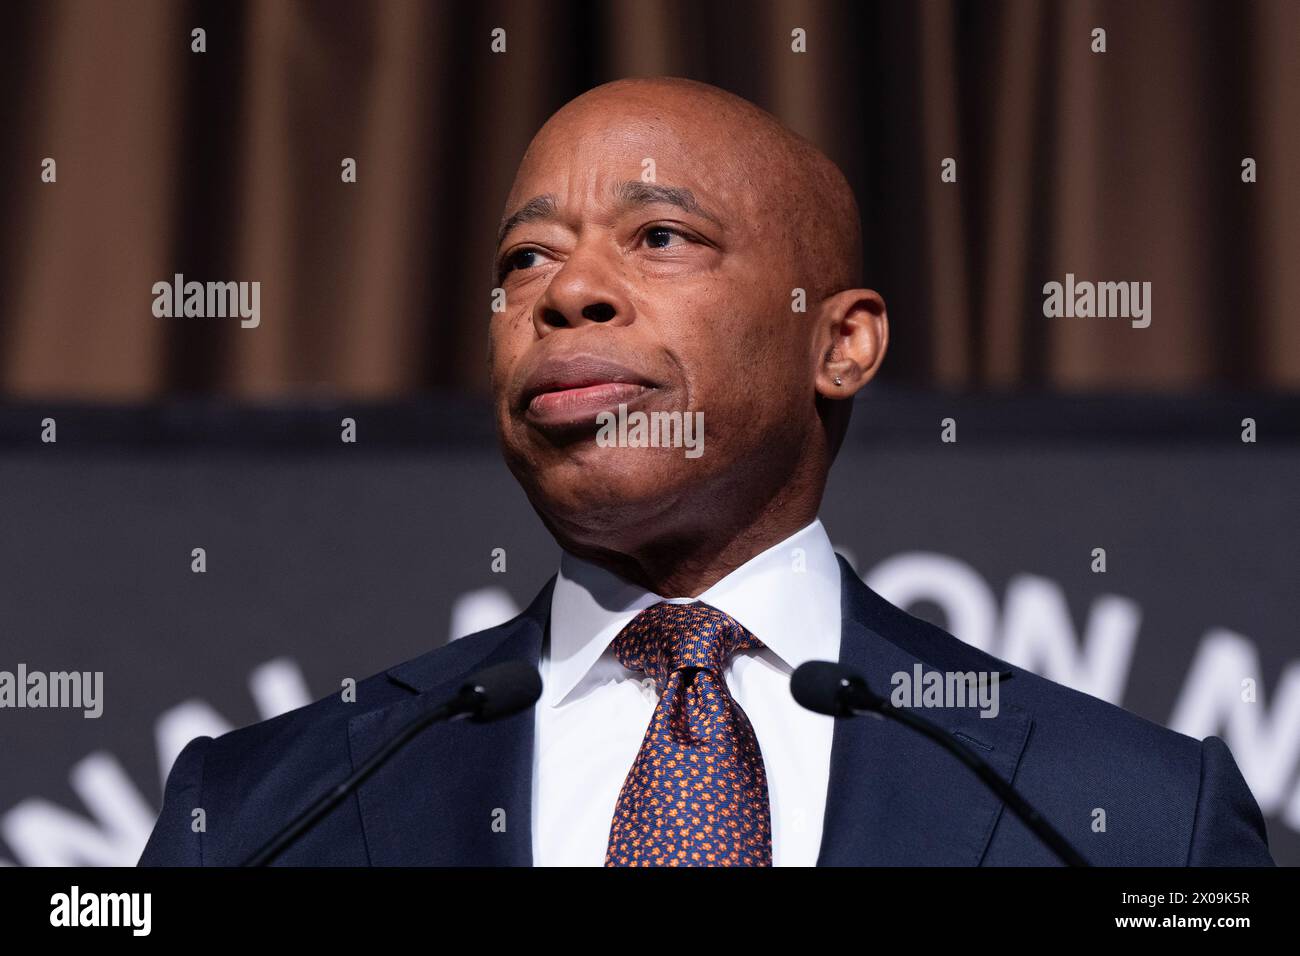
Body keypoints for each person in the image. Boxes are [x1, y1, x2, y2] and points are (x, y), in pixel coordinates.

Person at [139, 77, 1273, 867]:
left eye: (661, 236)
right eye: (525, 256)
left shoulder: (1134, 816)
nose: (565, 291)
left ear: (841, 343)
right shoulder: (256, 813)